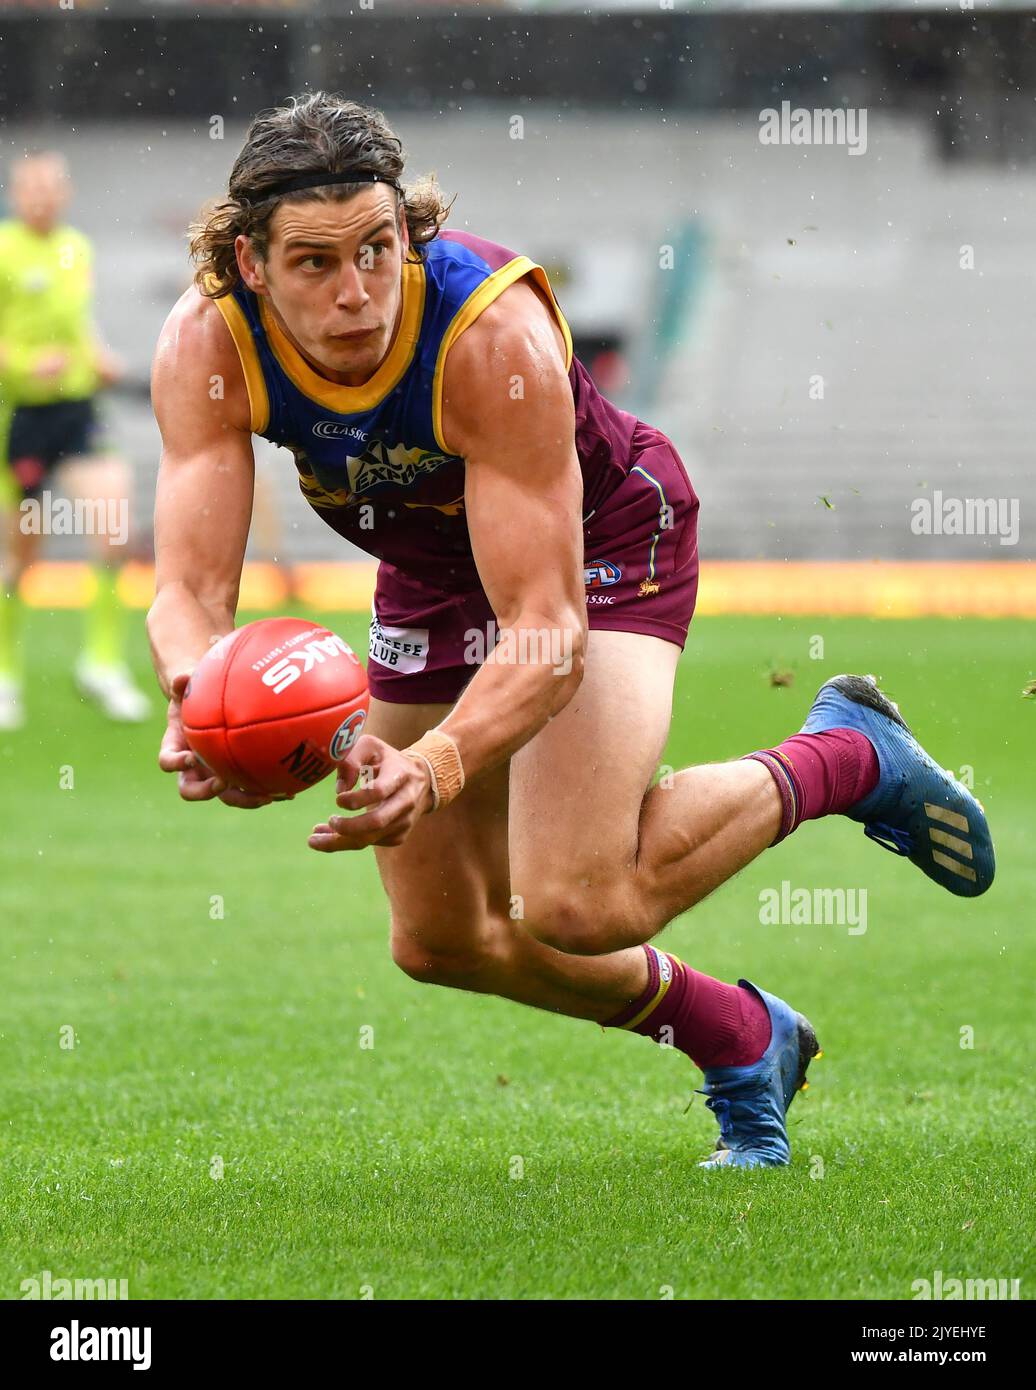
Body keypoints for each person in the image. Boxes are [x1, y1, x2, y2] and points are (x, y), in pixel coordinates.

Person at [148, 93, 993, 1169]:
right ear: (249, 263)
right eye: (314, 263)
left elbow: (544, 631)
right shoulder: (207, 339)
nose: (356, 292)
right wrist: (197, 698)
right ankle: (742, 1034)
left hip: (604, 541)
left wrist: (440, 764)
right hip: (434, 571)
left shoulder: (485, 332)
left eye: (377, 248)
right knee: (440, 938)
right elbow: (187, 589)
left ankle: (847, 755)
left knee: (577, 900)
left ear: (408, 232)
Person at [0, 152, 150, 728]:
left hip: (79, 411)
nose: (41, 196)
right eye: (30, 186)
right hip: (24, 419)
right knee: (22, 557)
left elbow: (77, 323)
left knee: (113, 530)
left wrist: (101, 360)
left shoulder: (76, 249)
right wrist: (26, 364)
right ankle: (7, 672)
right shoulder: (5, 249)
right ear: (15, 193)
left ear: (64, 193)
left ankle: (102, 664)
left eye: (51, 186)